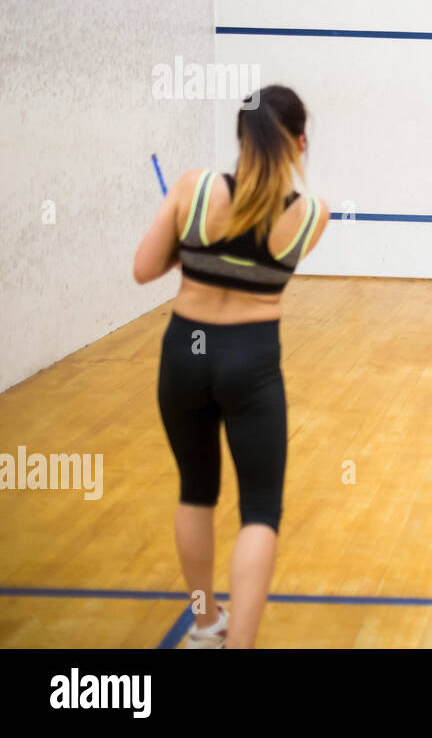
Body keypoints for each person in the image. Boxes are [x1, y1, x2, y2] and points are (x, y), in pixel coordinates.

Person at [133, 85, 329, 648]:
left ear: (240, 139)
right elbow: (254, 258)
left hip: (185, 357)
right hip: (251, 362)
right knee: (260, 510)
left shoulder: (193, 188)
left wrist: (181, 241)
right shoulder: (311, 214)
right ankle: (238, 644)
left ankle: (202, 625)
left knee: (195, 492)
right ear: (300, 143)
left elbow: (145, 269)